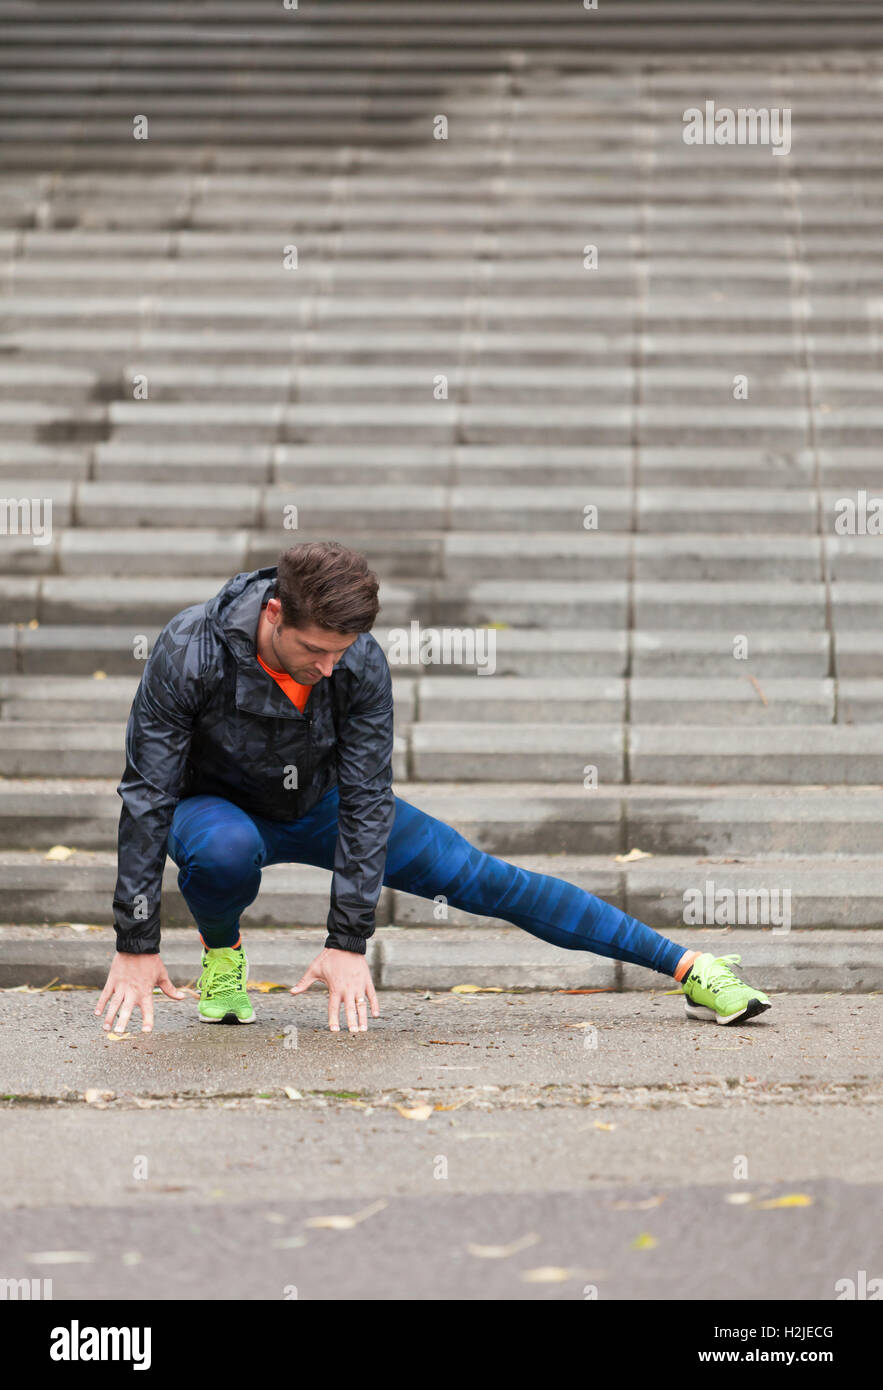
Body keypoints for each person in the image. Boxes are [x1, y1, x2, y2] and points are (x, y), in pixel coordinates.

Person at [95, 540, 771, 1036]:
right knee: (221, 852)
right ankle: (222, 955)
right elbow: (149, 792)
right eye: (315, 652)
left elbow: (365, 797)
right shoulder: (190, 650)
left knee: (485, 879)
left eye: (343, 651)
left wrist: (348, 942)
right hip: (216, 807)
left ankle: (694, 969)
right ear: (274, 613)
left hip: (323, 804)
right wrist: (136, 942)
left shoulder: (356, 661)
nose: (331, 668)